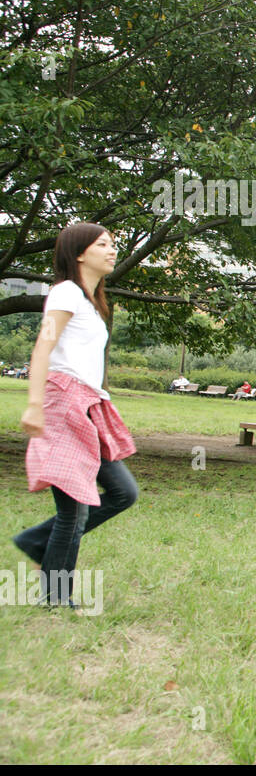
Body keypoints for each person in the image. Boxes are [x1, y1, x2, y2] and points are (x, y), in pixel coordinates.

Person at [14, 223, 138, 611]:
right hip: (62, 403)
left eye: (113, 244)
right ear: (80, 252)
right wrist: (34, 404)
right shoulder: (65, 293)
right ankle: (55, 599)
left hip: (87, 406)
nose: (112, 251)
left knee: (122, 493)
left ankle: (37, 543)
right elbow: (42, 348)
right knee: (74, 509)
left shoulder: (89, 301)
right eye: (103, 244)